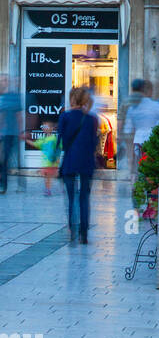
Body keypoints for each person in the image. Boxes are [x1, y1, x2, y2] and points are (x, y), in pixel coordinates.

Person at [57, 87, 99, 244]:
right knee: (84, 198)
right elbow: (94, 142)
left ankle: (72, 229)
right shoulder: (92, 119)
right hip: (87, 162)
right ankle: (84, 233)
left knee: (71, 197)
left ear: (72, 99)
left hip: (70, 161)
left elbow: (61, 141)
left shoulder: (65, 117)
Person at [123, 79, 159, 187]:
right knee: (151, 166)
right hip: (152, 140)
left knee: (140, 166)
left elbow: (128, 128)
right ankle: (149, 188)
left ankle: (139, 188)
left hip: (138, 140)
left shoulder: (133, 107)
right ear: (150, 92)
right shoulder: (155, 105)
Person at [0, 76, 23, 194]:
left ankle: (5, 185)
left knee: (6, 160)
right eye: (2, 80)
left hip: (10, 133)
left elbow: (19, 115)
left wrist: (20, 132)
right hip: (5, 133)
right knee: (4, 160)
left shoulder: (13, 97)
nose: (4, 82)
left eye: (5, 80)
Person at [37, 119, 60, 196]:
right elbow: (36, 144)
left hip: (51, 161)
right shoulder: (43, 139)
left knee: (49, 177)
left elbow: (58, 150)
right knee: (47, 177)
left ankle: (48, 190)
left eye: (46, 126)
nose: (44, 128)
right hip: (45, 162)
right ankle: (47, 189)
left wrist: (57, 160)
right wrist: (26, 140)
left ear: (51, 128)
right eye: (43, 126)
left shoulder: (54, 138)